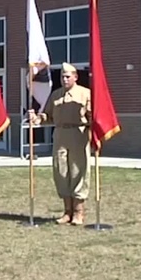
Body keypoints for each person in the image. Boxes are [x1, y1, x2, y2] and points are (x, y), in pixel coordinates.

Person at [27, 63, 92, 225]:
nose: (64, 79)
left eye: (68, 76)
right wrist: (37, 118)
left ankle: (79, 212)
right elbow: (47, 116)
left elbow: (93, 117)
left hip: (79, 134)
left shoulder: (86, 94)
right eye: (62, 76)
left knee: (78, 171)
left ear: (75, 77)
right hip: (60, 135)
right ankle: (67, 211)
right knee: (61, 171)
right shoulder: (56, 95)